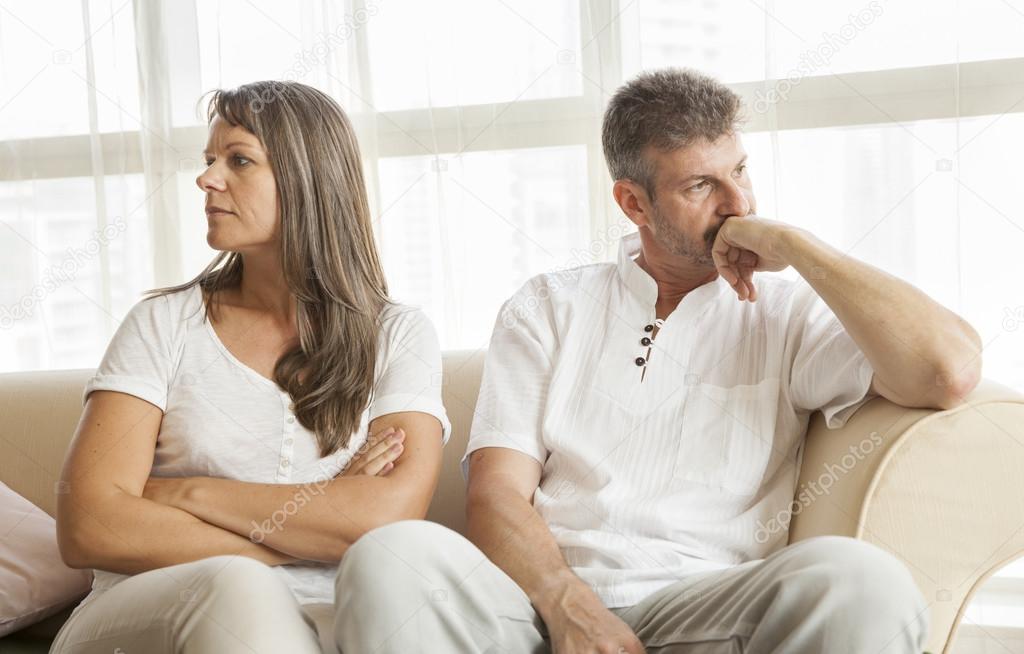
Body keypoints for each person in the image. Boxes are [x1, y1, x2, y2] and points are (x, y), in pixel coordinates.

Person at [332, 68, 982, 653]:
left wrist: (798, 245)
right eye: (702, 184)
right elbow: (496, 495)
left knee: (863, 580)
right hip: (538, 609)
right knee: (392, 553)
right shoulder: (548, 307)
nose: (738, 205)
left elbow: (946, 370)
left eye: (741, 171)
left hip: (710, 607)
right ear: (633, 203)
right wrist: (569, 607)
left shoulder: (787, 315)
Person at [51, 80, 450, 654]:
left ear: (307, 180)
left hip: (327, 615)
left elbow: (384, 521)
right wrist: (317, 523)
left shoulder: (398, 335)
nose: (207, 179)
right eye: (210, 160)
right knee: (238, 584)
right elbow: (91, 524)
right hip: (146, 607)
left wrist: (184, 494)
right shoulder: (162, 325)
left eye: (238, 160)